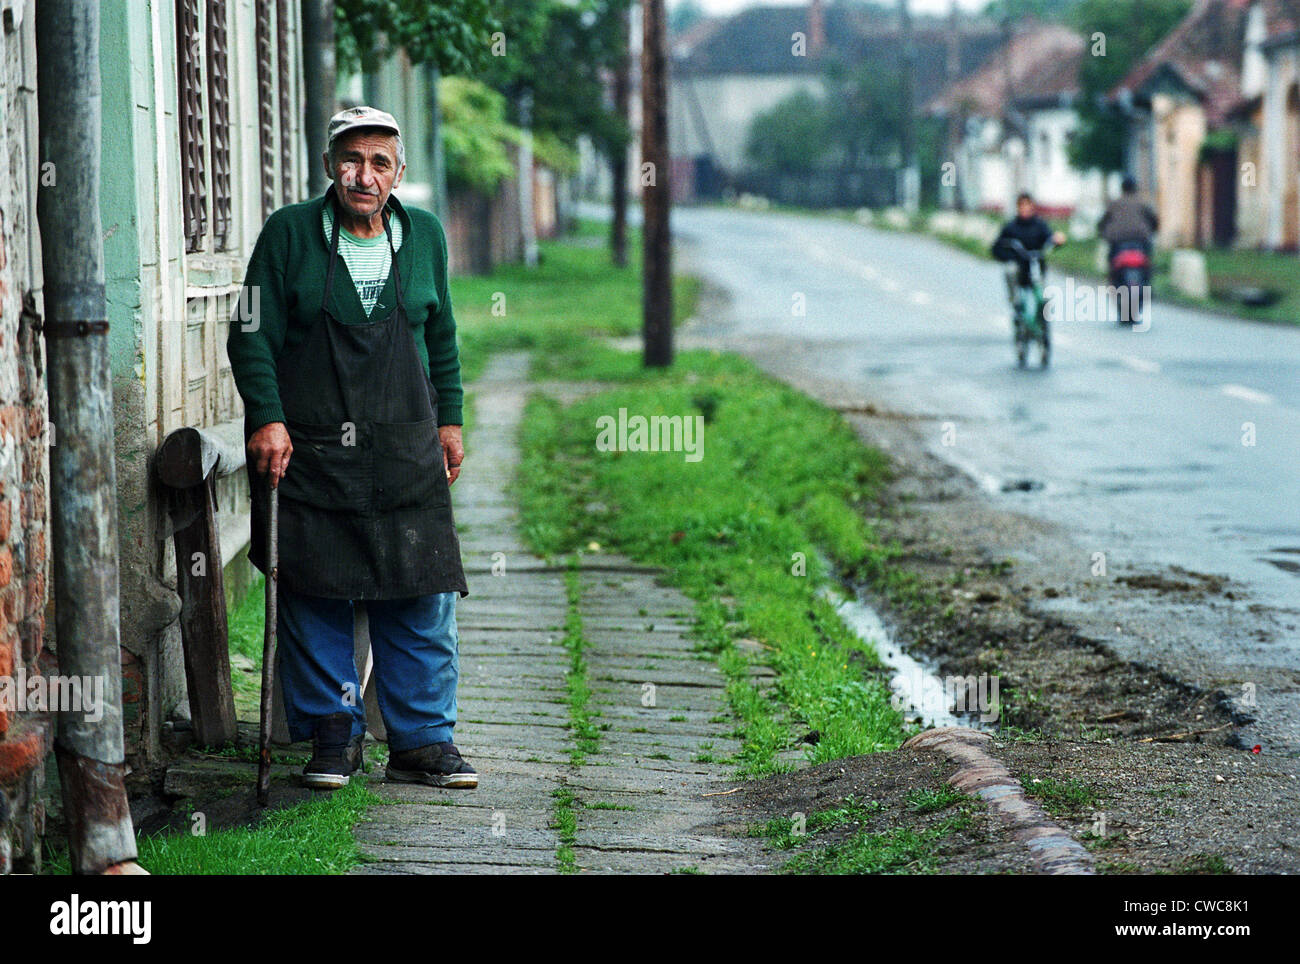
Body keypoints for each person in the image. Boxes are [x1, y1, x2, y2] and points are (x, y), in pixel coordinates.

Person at [226, 106, 477, 791]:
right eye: (351, 159)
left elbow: (443, 336)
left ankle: (423, 742)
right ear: (330, 163)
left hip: (404, 447)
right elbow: (250, 334)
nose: (363, 175)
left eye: (379, 163)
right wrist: (268, 418)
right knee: (314, 590)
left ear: (399, 173)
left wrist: (449, 421)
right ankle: (333, 739)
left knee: (420, 587)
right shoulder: (289, 235)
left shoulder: (422, 235)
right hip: (310, 450)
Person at [991, 192, 1066, 289]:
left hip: (1036, 262)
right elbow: (997, 247)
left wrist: (1057, 239)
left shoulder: (1040, 225)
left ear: (1032, 206)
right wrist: (1010, 256)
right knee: (1010, 270)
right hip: (1018, 264)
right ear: (1017, 207)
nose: (1025, 208)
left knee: (1044, 288)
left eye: (1027, 204)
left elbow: (1049, 237)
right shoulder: (1010, 227)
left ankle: (1043, 299)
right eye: (1022, 205)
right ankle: (1015, 298)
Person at [1098, 174, 1158, 263]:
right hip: (1140, 239)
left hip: (1118, 239)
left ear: (1122, 188)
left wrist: (1102, 233)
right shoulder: (1142, 203)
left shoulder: (1114, 204)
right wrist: (1152, 231)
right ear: (1135, 188)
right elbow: (1153, 221)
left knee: (1112, 259)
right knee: (1148, 258)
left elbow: (1103, 222)